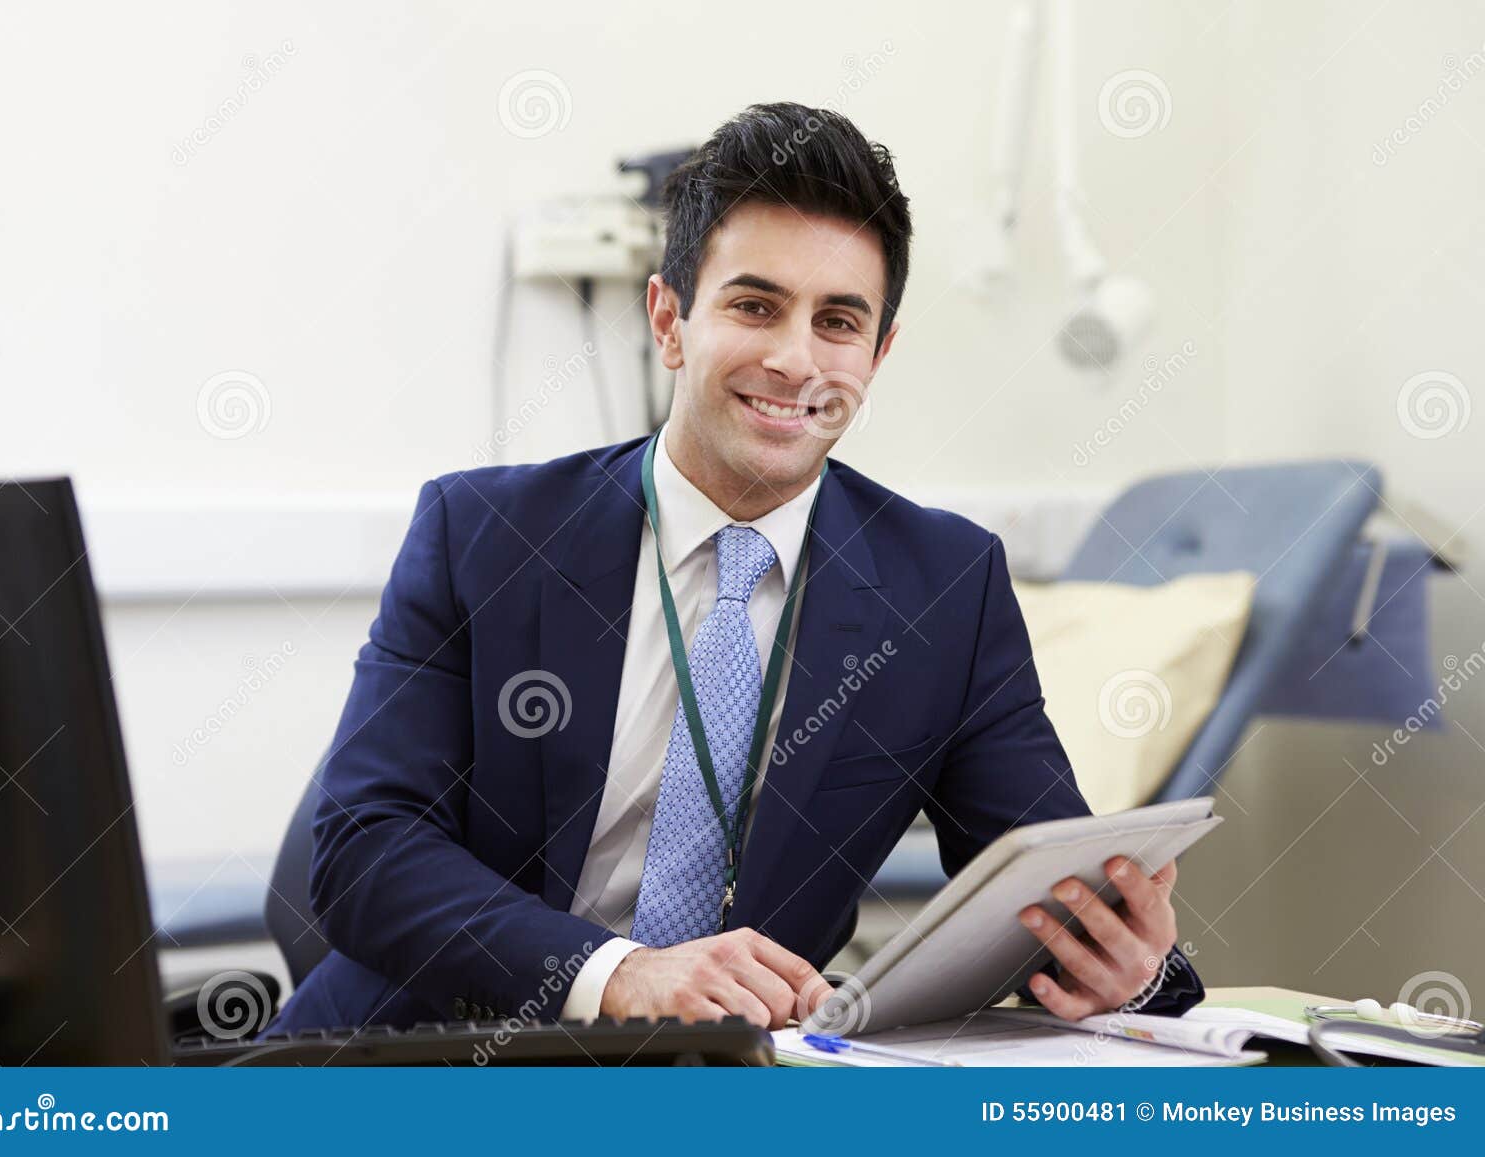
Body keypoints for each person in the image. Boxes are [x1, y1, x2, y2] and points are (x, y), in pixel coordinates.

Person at [270, 102, 1200, 1035]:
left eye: (838, 321)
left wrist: (1131, 964)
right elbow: (364, 853)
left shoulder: (946, 589)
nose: (796, 360)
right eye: (756, 306)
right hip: (425, 1061)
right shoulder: (485, 532)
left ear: (878, 355)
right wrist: (619, 974)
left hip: (721, 1086)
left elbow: (1046, 897)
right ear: (668, 320)